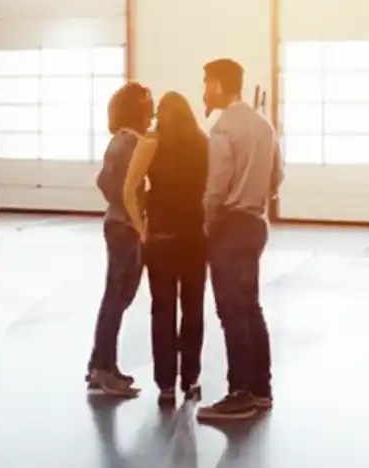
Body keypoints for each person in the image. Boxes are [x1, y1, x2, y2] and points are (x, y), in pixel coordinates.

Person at [196, 59, 283, 423]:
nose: (203, 90)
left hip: (231, 226)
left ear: (215, 85)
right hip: (256, 223)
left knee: (231, 310)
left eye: (205, 82)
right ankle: (261, 388)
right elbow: (277, 177)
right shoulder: (265, 127)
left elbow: (216, 187)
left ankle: (239, 392)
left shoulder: (223, 128)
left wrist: (206, 226)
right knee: (250, 306)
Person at [87, 82, 156, 397]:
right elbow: (128, 191)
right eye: (148, 105)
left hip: (113, 222)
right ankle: (103, 369)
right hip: (126, 226)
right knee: (118, 296)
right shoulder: (135, 143)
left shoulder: (116, 141)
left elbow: (103, 181)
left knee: (116, 295)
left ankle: (102, 363)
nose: (152, 111)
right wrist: (139, 225)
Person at [144, 92, 210, 407]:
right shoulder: (202, 143)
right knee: (193, 308)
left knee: (162, 308)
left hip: (159, 236)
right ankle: (191, 379)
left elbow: (135, 184)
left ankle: (165, 384)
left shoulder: (152, 143)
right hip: (194, 236)